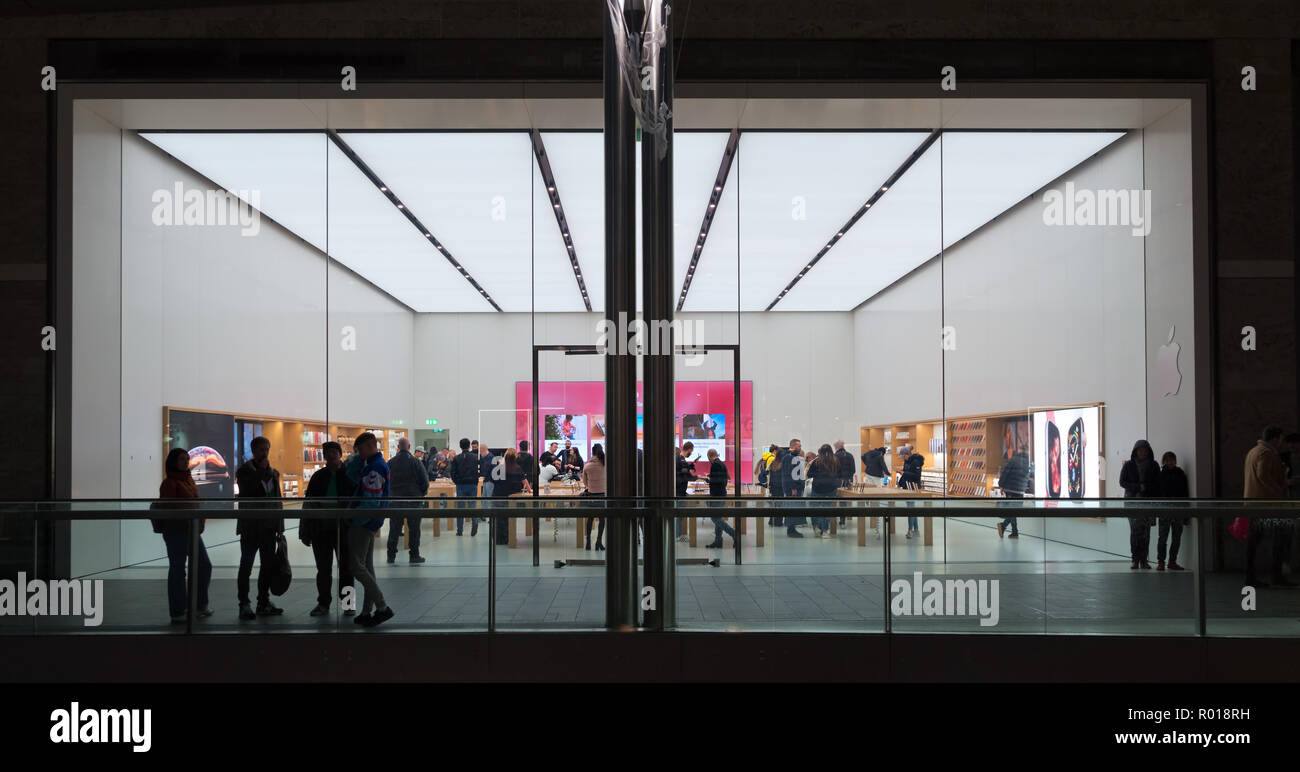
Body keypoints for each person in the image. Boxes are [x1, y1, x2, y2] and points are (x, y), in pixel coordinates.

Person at [153, 448, 213, 624]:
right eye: (182, 459)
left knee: (204, 566)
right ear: (173, 462)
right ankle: (178, 610)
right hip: (177, 531)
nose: (186, 462)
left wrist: (198, 523)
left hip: (191, 530)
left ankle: (198, 605)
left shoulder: (188, 480)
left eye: (187, 459)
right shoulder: (169, 483)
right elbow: (170, 509)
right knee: (178, 569)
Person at [302, 441, 356, 616]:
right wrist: (305, 530)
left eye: (334, 452)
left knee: (346, 569)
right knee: (323, 570)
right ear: (324, 456)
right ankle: (323, 604)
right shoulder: (318, 477)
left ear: (340, 454)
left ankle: (348, 604)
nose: (332, 455)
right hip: (322, 529)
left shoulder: (349, 475)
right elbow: (308, 504)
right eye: (328, 452)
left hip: (344, 529)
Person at [234, 436, 285, 620]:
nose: (264, 453)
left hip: (269, 528)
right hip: (250, 527)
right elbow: (248, 492)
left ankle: (263, 601)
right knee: (246, 565)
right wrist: (261, 472)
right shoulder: (244, 471)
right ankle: (244, 604)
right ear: (253, 451)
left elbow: (277, 500)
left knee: (267, 566)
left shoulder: (274, 473)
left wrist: (280, 525)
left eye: (267, 449)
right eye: (261, 449)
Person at [348, 432, 395, 627]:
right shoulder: (377, 465)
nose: (358, 455)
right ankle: (367, 611)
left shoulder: (374, 469)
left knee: (355, 565)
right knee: (367, 567)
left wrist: (354, 517)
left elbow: (371, 501)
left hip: (364, 523)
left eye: (359, 451)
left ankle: (382, 606)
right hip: (371, 521)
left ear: (368, 446)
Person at [1243, 425, 1293, 586]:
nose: (1281, 443)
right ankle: (1275, 575)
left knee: (1254, 541)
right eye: (1280, 439)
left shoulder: (1254, 451)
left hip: (1254, 503)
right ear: (1274, 438)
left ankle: (1251, 576)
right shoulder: (1266, 453)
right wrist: (1279, 492)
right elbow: (1262, 475)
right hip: (1267, 504)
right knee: (1278, 539)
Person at [386, 436, 430, 565]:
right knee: (414, 528)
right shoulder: (416, 462)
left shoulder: (391, 462)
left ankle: (391, 555)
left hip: (395, 500)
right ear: (409, 447)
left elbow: (386, 480)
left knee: (394, 528)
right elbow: (424, 481)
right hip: (413, 500)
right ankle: (414, 554)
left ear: (398, 447)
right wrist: (421, 493)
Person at [1119, 439, 1160, 569]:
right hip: (1132, 502)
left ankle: (1144, 560)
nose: (1142, 452)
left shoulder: (1153, 465)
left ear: (1148, 451)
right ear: (1135, 451)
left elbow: (1158, 483)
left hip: (1148, 502)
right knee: (1135, 532)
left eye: (1145, 449)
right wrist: (1137, 487)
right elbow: (1122, 482)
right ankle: (1135, 559)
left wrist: (1146, 488)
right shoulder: (1129, 465)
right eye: (1140, 449)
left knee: (1146, 532)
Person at [1155, 451, 1189, 571]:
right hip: (1164, 510)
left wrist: (1186, 512)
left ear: (1175, 461)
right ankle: (1161, 562)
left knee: (1176, 537)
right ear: (1163, 461)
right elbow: (1158, 493)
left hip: (1178, 509)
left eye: (1172, 459)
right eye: (1167, 460)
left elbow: (1185, 493)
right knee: (1163, 537)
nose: (1170, 462)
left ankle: (1172, 561)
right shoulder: (1160, 475)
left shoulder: (1180, 474)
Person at [705, 448, 736, 549]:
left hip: (717, 495)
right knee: (718, 517)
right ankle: (718, 541)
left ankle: (734, 534)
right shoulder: (722, 464)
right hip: (722, 494)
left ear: (709, 456)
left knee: (715, 518)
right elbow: (725, 479)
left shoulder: (715, 465)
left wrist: (709, 480)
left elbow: (716, 481)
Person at [808, 444, 840, 537]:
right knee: (827, 509)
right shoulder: (835, 461)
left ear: (820, 452)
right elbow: (839, 474)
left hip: (818, 488)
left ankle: (816, 526)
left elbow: (809, 474)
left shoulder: (816, 462)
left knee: (815, 508)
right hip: (831, 488)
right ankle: (825, 530)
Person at [996, 450, 1030, 539]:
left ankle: (1003, 526)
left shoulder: (1013, 460)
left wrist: (1001, 485)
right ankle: (1014, 532)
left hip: (1011, 489)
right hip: (1020, 490)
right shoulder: (1027, 462)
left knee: (1012, 511)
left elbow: (1005, 473)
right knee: (1014, 511)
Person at [451, 437, 480, 536]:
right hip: (472, 484)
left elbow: (453, 473)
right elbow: (478, 471)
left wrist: (457, 482)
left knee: (460, 508)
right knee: (473, 506)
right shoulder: (475, 457)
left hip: (461, 485)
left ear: (460, 446)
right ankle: (475, 523)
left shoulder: (456, 458)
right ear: (469, 446)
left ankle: (460, 530)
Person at [582, 443, 608, 550]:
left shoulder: (587, 466)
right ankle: (598, 542)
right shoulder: (605, 465)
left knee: (590, 518)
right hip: (603, 496)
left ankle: (588, 542)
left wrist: (591, 486)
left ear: (592, 453)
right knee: (602, 519)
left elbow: (585, 482)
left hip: (591, 495)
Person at [897, 446, 925, 538]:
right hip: (907, 486)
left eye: (903, 456)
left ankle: (910, 530)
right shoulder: (906, 461)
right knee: (912, 507)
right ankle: (916, 529)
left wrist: (904, 473)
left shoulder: (916, 462)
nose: (903, 458)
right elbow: (906, 472)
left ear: (907, 454)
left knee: (910, 508)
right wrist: (901, 480)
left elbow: (917, 476)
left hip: (914, 487)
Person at [781, 439, 807, 537]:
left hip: (796, 487)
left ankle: (792, 528)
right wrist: (793, 487)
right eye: (798, 446)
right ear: (792, 446)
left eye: (800, 446)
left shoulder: (794, 457)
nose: (800, 448)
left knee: (795, 507)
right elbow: (789, 474)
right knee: (792, 507)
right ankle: (791, 529)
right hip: (792, 488)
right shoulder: (788, 458)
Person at [675, 442, 697, 542]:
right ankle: (677, 536)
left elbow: (684, 470)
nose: (691, 454)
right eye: (691, 452)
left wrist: (691, 465)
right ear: (688, 449)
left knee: (679, 514)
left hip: (680, 490)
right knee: (679, 514)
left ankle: (678, 534)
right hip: (680, 491)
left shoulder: (681, 459)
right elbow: (685, 475)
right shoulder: (680, 460)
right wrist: (696, 477)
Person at [834, 440, 855, 526]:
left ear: (836, 447)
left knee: (835, 500)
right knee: (844, 501)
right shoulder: (850, 455)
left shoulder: (835, 456)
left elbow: (833, 470)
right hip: (848, 480)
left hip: (837, 481)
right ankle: (843, 521)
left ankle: (833, 521)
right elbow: (853, 470)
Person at [766, 446, 785, 525]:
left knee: (774, 504)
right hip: (781, 487)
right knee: (780, 505)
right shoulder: (783, 464)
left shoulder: (772, 463)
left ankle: (771, 520)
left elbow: (769, 475)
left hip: (773, 487)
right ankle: (778, 521)